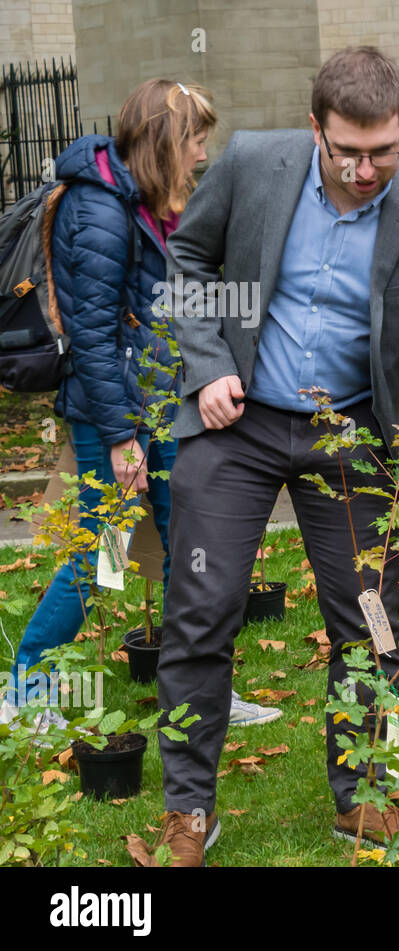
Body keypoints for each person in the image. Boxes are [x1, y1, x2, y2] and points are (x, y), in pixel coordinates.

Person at [154, 47, 399, 865]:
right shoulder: (256, 164)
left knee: (371, 623)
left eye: (385, 151)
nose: (367, 171)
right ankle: (189, 811)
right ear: (314, 130)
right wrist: (209, 365)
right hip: (241, 425)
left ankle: (363, 799)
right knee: (202, 609)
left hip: (353, 437)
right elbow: (188, 260)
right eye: (348, 152)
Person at [1, 80, 222, 724]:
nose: (203, 156)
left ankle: (201, 691)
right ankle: (26, 685)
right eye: (196, 141)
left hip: (160, 406)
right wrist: (124, 436)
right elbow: (93, 336)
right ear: (165, 143)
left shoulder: (145, 201)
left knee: (190, 540)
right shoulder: (98, 210)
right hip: (119, 418)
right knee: (105, 549)